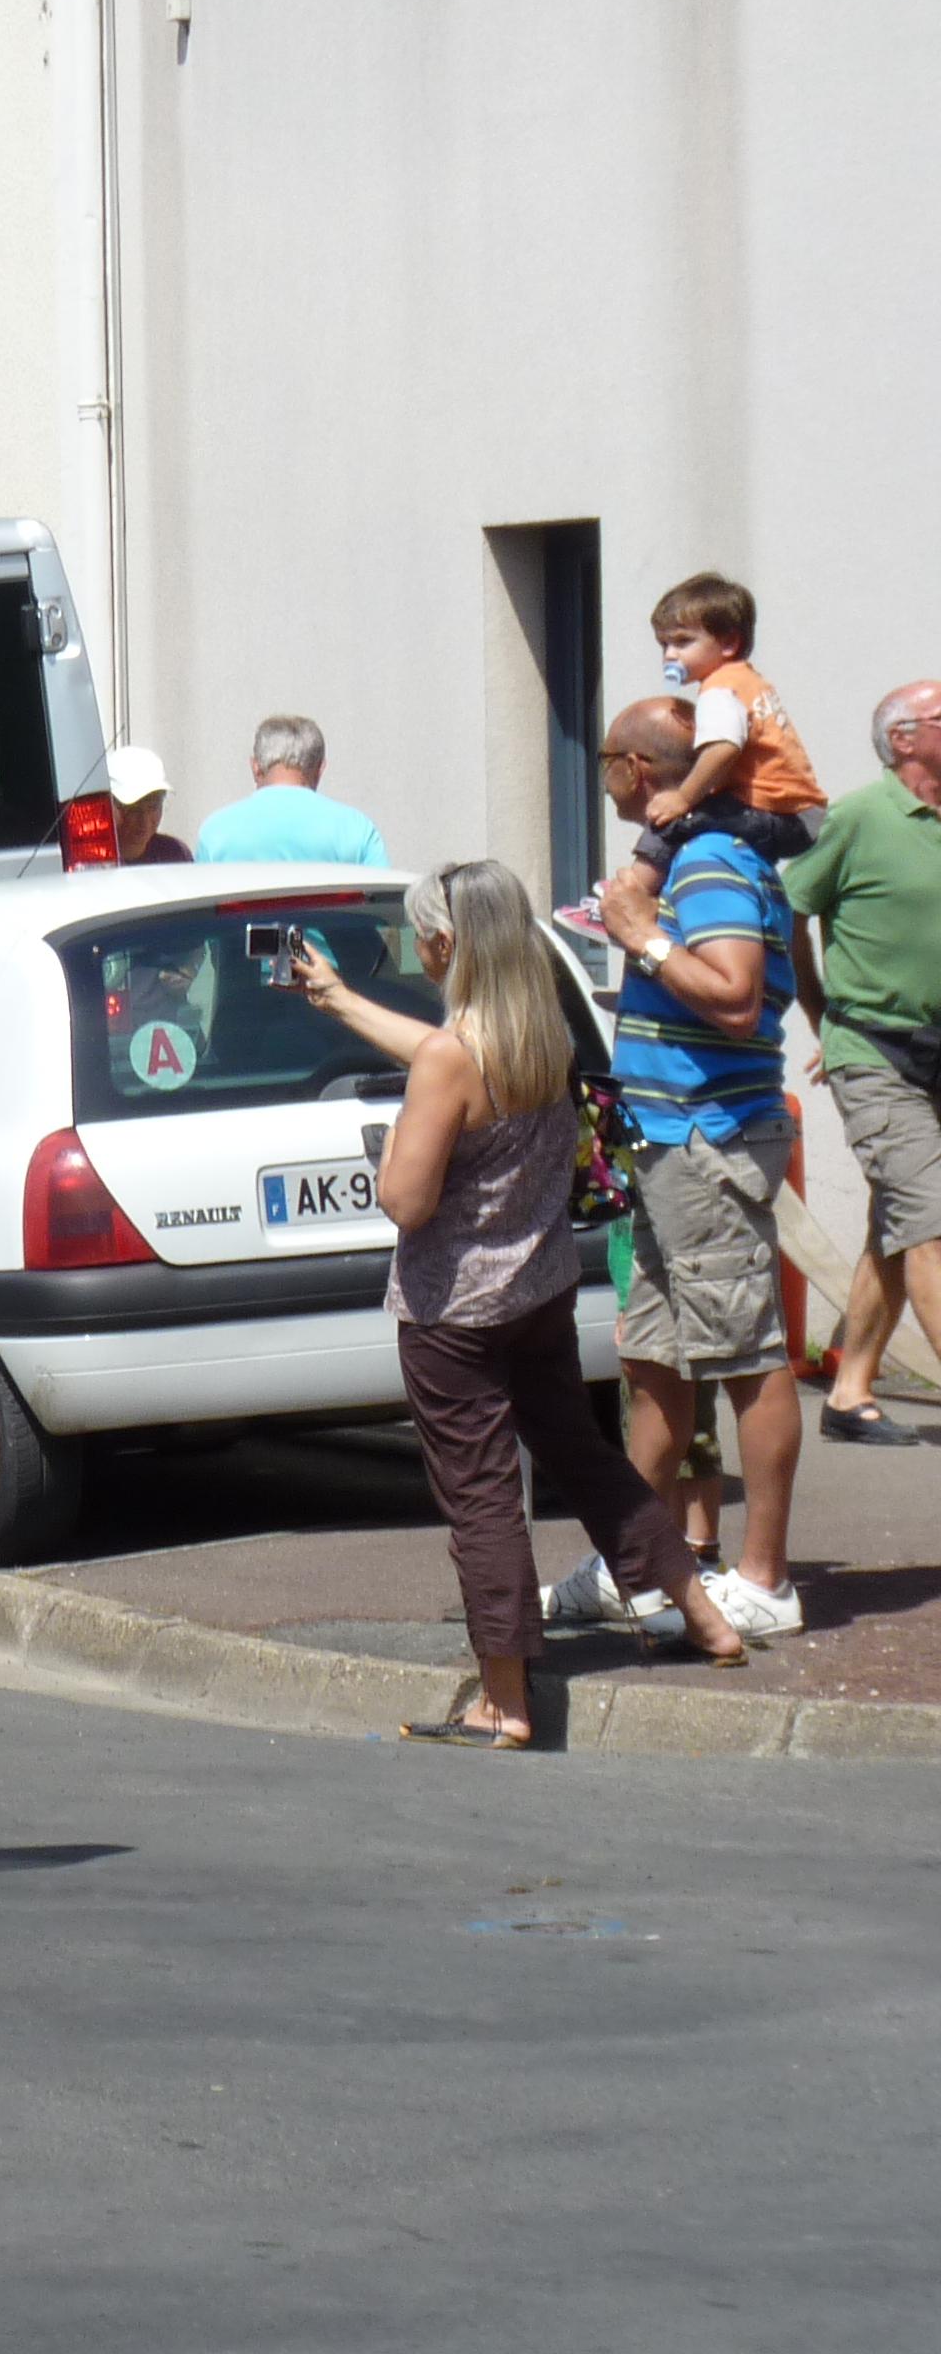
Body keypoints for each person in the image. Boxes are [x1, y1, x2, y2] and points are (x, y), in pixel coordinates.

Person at [296, 861, 745, 1745]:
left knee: (481, 1496)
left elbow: (408, 1201)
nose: (419, 952)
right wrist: (340, 999)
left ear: (446, 945)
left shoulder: (450, 1058)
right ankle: (705, 1617)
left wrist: (390, 1151)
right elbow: (442, 1053)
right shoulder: (542, 1034)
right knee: (584, 1456)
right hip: (538, 1293)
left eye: (423, 939)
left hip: (453, 1314)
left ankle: (504, 1699)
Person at [590, 696, 806, 1638]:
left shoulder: (711, 859)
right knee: (656, 1362)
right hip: (666, 1143)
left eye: (605, 756)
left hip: (708, 1144)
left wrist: (641, 934)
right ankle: (634, 1564)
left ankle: (765, 1580)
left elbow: (734, 994)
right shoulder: (691, 856)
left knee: (745, 1357)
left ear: (638, 769)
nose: (603, 773)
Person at [786, 679, 941, 1445]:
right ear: (904, 738)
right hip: (876, 1053)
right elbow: (791, 912)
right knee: (931, 1226)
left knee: (898, 1219)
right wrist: (827, 1020)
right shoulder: (857, 817)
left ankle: (848, 1393)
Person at [625, 570, 826, 881]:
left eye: (682, 642)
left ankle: (633, 888)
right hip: (797, 813)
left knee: (669, 822)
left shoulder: (719, 690)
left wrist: (682, 798)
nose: (670, 655)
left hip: (777, 814)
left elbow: (723, 749)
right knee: (705, 819)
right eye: (664, 644)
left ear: (729, 642)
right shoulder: (747, 680)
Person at [192, 714, 391, 867]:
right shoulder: (357, 829)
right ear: (320, 769)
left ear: (255, 767)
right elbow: (384, 902)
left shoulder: (215, 831)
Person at [102, 746, 189, 863]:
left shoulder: (174, 854)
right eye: (133, 809)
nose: (145, 821)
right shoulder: (89, 861)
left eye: (153, 807)